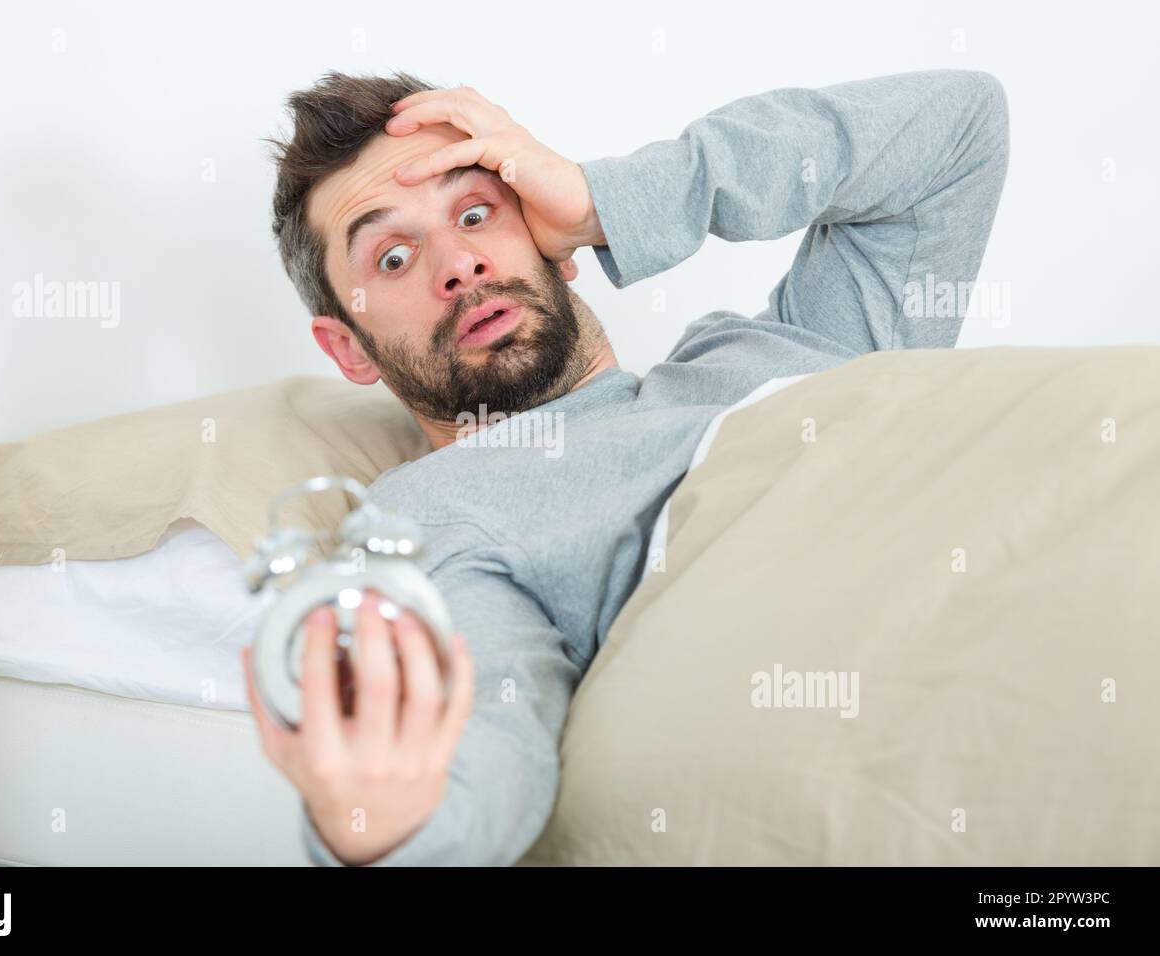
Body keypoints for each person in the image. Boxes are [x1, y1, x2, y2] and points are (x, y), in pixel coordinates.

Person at [243, 68, 1009, 865]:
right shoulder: (435, 517)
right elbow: (484, 758)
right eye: (394, 258)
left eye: (476, 213)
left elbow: (958, 126)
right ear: (347, 349)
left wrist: (605, 203)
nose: (459, 263)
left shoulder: (786, 349)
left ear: (549, 241)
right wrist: (392, 830)